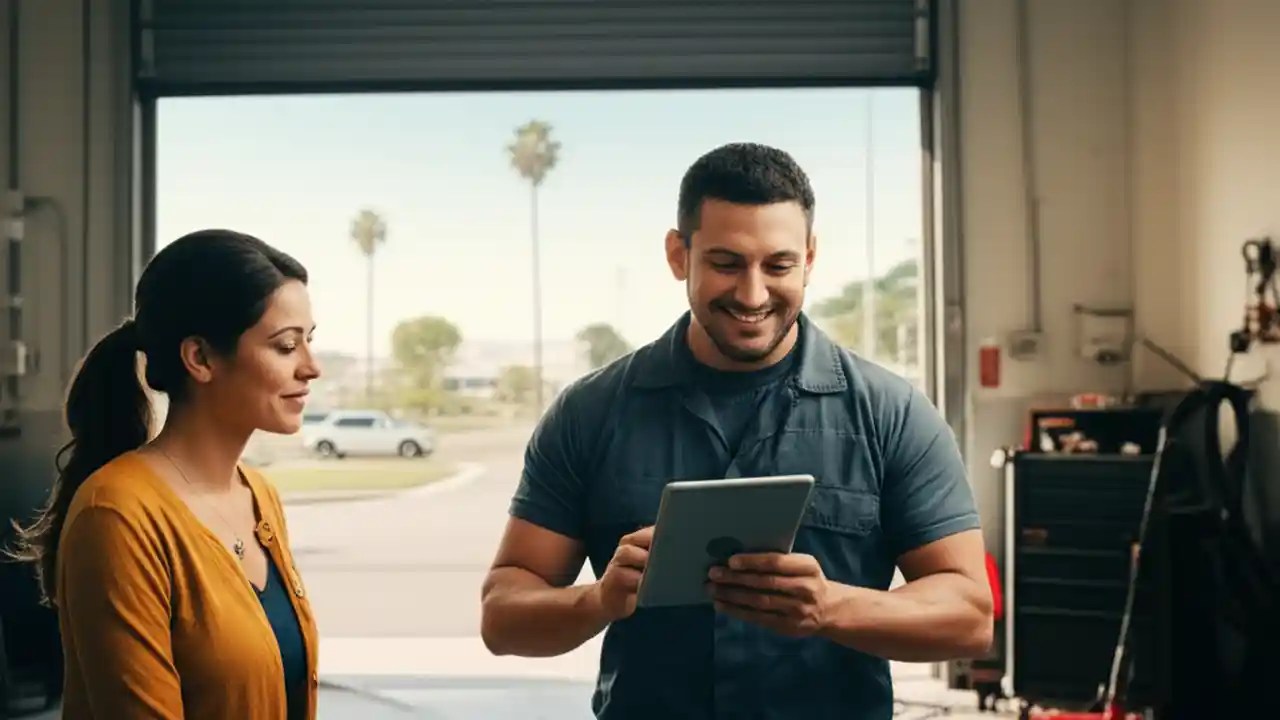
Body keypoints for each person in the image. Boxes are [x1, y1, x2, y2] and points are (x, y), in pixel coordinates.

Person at [480, 143, 993, 719]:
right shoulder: (590, 412)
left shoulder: (891, 413)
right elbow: (503, 617)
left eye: (778, 265)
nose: (752, 294)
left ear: (810, 257)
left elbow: (970, 616)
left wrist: (831, 607)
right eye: (726, 263)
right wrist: (597, 600)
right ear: (679, 255)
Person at [8, 230, 322, 720]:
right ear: (200, 358)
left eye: (309, 341)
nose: (312, 368)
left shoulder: (258, 495)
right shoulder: (117, 515)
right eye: (285, 346)